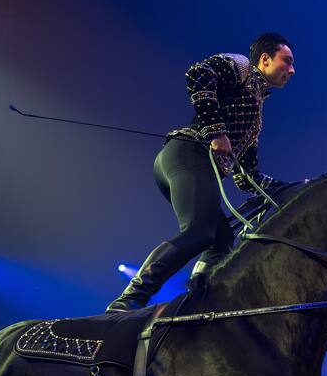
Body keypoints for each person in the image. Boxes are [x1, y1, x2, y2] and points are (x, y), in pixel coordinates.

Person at [107, 33, 296, 312]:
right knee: (199, 232)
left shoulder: (256, 115)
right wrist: (216, 131)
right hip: (186, 154)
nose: (292, 70)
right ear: (265, 59)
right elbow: (198, 73)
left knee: (221, 241)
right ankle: (129, 300)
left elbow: (249, 178)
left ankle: (196, 302)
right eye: (287, 61)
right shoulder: (242, 67)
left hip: (190, 164)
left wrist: (295, 190)